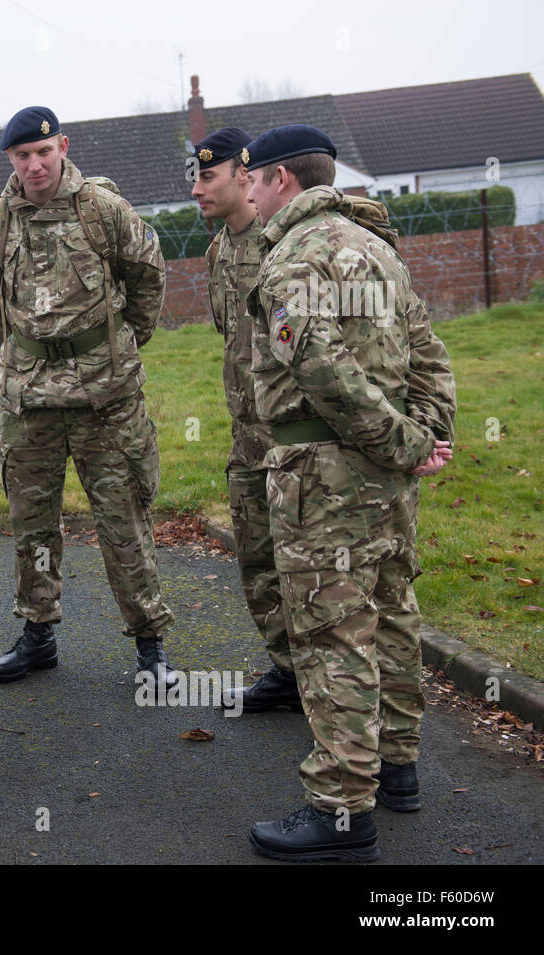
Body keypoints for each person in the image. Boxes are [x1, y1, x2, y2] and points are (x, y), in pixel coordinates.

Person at [240, 125, 456, 862]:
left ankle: (341, 810)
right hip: (387, 476)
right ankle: (397, 768)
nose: (249, 192)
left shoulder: (294, 255)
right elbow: (429, 354)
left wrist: (400, 442)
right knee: (391, 613)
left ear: (281, 179)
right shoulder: (379, 250)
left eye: (254, 179)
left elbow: (318, 364)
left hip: (325, 472)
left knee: (333, 632)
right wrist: (424, 436)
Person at [0, 106, 177, 687]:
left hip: (105, 399)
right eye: (22, 156)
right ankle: (37, 636)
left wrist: (119, 344)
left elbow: (148, 276)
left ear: (62, 147)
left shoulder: (104, 210)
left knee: (123, 522)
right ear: (11, 160)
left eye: (43, 152)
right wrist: (28, 352)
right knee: (32, 525)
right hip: (29, 402)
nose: (34, 165)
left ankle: (150, 643)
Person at [192, 127, 299, 713]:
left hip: (294, 438)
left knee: (307, 566)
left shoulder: (283, 244)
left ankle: (333, 686)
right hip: (247, 438)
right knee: (257, 560)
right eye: (195, 177)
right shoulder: (218, 251)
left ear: (244, 174)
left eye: (208, 176)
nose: (197, 189)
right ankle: (289, 672)